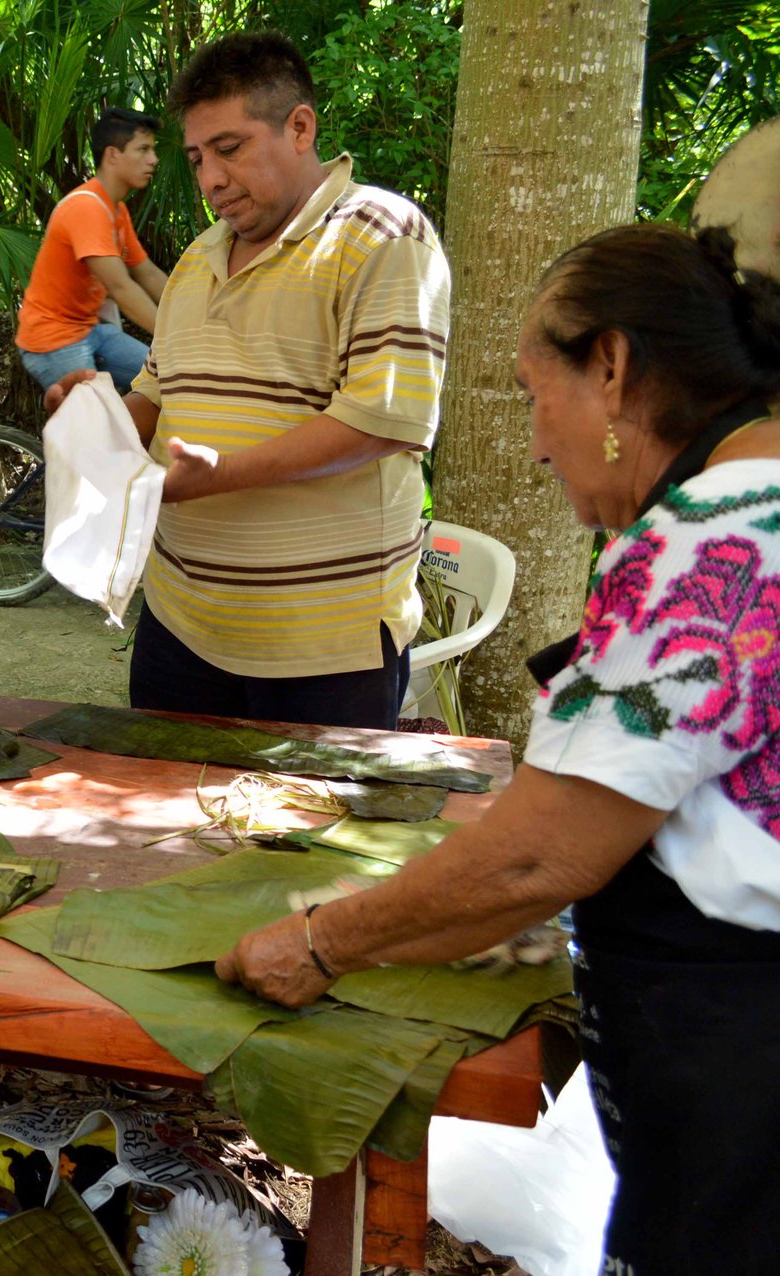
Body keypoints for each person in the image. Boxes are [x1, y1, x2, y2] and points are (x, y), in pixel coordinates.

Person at [219, 223, 780, 1272]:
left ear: (611, 368)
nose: (534, 441)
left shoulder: (713, 539)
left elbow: (540, 856)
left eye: (533, 394)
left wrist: (321, 941)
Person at [45, 32, 450, 729]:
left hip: (323, 645)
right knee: (172, 800)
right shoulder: (200, 258)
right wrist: (94, 418)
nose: (211, 180)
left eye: (229, 149)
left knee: (313, 807)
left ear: (300, 128)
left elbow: (380, 422)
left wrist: (222, 475)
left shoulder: (381, 236)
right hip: (180, 625)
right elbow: (157, 395)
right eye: (197, 158)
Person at [15, 107, 168, 392]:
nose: (153, 159)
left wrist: (191, 314)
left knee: (168, 381)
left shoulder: (117, 210)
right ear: (112, 155)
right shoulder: (86, 207)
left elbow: (147, 273)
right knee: (95, 417)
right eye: (143, 149)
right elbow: (121, 288)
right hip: (54, 341)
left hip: (90, 329)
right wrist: (175, 336)